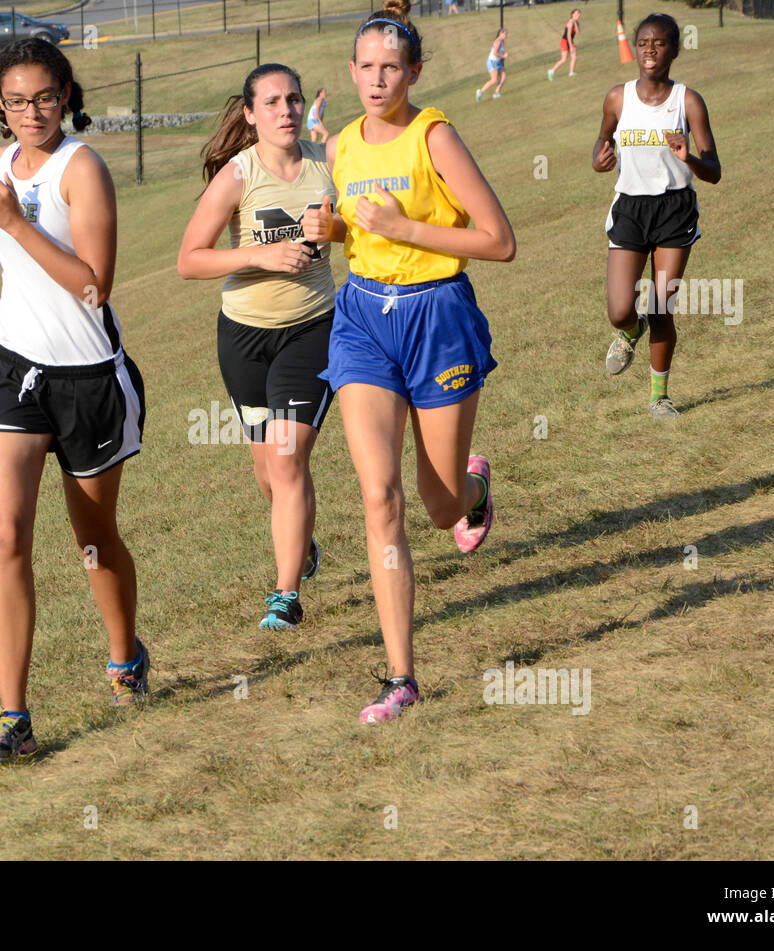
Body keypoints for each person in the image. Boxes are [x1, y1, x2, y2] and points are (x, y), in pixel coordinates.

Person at [302, 0, 515, 723]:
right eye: (366, 66)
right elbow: (353, 227)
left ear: (414, 71)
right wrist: (328, 227)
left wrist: (405, 226)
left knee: (437, 505)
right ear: (353, 71)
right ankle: (400, 677)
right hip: (363, 319)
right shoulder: (341, 147)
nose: (377, 78)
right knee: (378, 495)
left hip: (439, 317)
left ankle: (473, 491)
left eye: (392, 66)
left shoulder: (436, 137)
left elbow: (498, 240)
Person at [0, 38, 148, 765]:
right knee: (7, 534)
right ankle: (13, 716)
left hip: (89, 380)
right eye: (15, 101)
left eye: (43, 96)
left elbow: (94, 282)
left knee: (94, 540)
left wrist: (12, 228)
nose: (31, 111)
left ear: (66, 94)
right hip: (13, 370)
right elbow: (17, 241)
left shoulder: (84, 168)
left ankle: (125, 655)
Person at [177, 64, 336, 632]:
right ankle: (301, 541)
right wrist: (260, 256)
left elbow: (366, 227)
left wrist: (336, 232)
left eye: (293, 99)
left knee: (290, 458)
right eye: (271, 102)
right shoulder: (236, 178)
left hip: (313, 328)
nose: (286, 110)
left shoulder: (330, 162)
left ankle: (284, 595)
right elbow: (189, 259)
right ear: (250, 114)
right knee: (270, 474)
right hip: (243, 337)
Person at [591, 13, 721, 420]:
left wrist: (691, 158)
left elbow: (714, 169)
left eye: (660, 43)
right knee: (618, 308)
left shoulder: (688, 101)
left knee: (663, 306)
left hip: (673, 208)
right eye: (644, 42)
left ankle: (659, 397)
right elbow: (602, 138)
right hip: (629, 207)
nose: (650, 49)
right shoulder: (618, 97)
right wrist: (599, 158)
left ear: (674, 51)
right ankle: (631, 331)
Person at [548, 9, 581, 80]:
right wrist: (571, 46)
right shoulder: (570, 23)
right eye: (576, 13)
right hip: (565, 41)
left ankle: (571, 73)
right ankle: (551, 71)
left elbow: (578, 32)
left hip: (570, 41)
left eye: (579, 14)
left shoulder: (576, 22)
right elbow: (568, 35)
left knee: (574, 57)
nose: (578, 15)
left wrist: (575, 22)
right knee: (564, 59)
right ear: (572, 14)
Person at [477, 29, 507, 102]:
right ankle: (480, 92)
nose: (506, 35)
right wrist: (503, 56)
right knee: (494, 80)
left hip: (497, 62)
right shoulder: (498, 41)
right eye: (505, 34)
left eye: (506, 34)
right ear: (500, 34)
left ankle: (496, 93)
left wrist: (502, 60)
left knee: (504, 76)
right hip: (492, 62)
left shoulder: (502, 42)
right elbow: (495, 53)